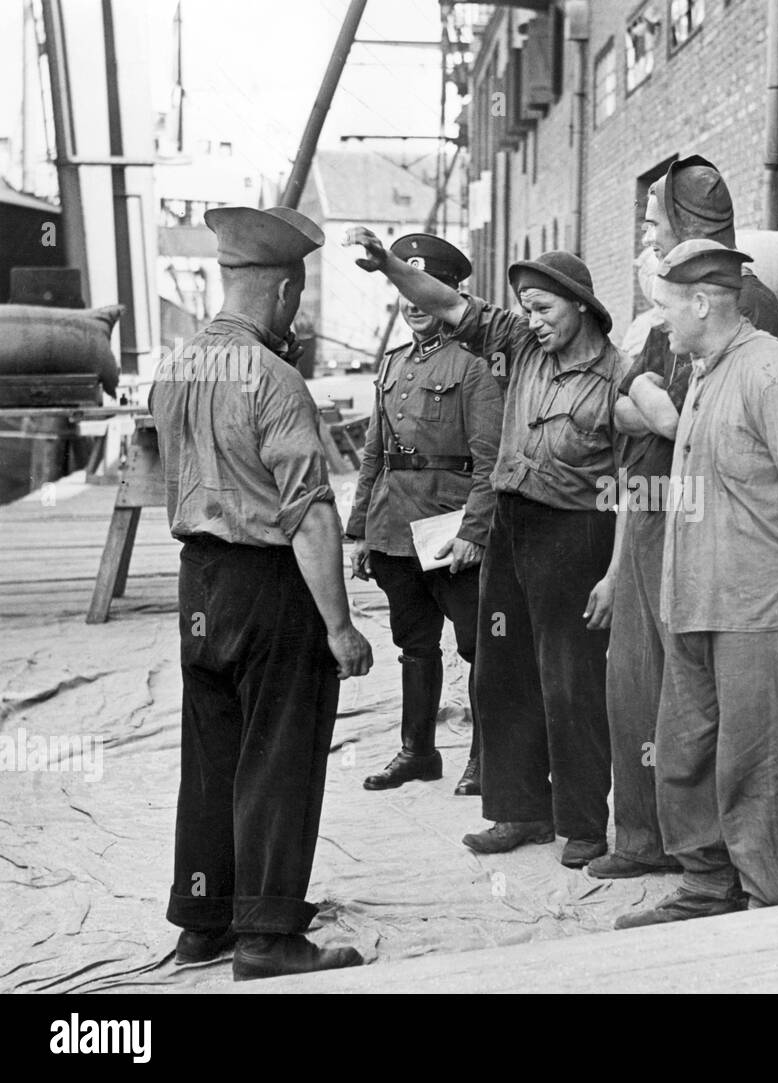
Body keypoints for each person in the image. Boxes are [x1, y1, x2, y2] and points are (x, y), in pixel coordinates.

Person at [347, 226, 623, 869]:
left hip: (575, 530)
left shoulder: (617, 375)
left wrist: (615, 571)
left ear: (580, 305)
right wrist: (388, 265)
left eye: (544, 307)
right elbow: (446, 303)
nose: (533, 318)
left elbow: (635, 483)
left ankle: (582, 823)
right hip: (512, 525)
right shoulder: (519, 345)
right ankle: (519, 811)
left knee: (570, 680)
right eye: (525, 306)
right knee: (503, 675)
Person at [151, 205, 373, 981]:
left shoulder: (175, 370)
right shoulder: (276, 381)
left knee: (211, 757)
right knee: (278, 755)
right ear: (283, 291)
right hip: (268, 585)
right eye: (298, 297)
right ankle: (268, 936)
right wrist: (340, 627)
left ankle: (203, 920)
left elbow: (163, 477)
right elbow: (311, 515)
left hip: (199, 583)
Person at [615, 239, 778, 927]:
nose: (659, 324)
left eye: (663, 308)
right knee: (685, 752)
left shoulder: (772, 372)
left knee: (763, 759)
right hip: (690, 598)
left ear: (702, 302)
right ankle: (708, 881)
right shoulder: (704, 373)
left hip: (755, 607)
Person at [593, 154, 778, 880]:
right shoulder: (660, 307)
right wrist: (640, 394)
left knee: (699, 694)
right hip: (649, 508)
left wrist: (641, 392)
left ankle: (715, 855)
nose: (645, 238)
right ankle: (643, 837)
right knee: (634, 683)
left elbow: (687, 418)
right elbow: (611, 406)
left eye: (654, 223)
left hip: (709, 516)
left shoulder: (747, 301)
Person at [345, 234, 502, 796]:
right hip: (392, 529)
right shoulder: (391, 365)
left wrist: (475, 531)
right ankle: (417, 752)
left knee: (477, 645)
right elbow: (374, 452)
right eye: (406, 294)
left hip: (448, 528)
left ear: (451, 294)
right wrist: (360, 529)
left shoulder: (477, 363)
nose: (415, 305)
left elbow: (491, 461)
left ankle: (487, 759)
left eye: (425, 294)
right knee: (413, 642)